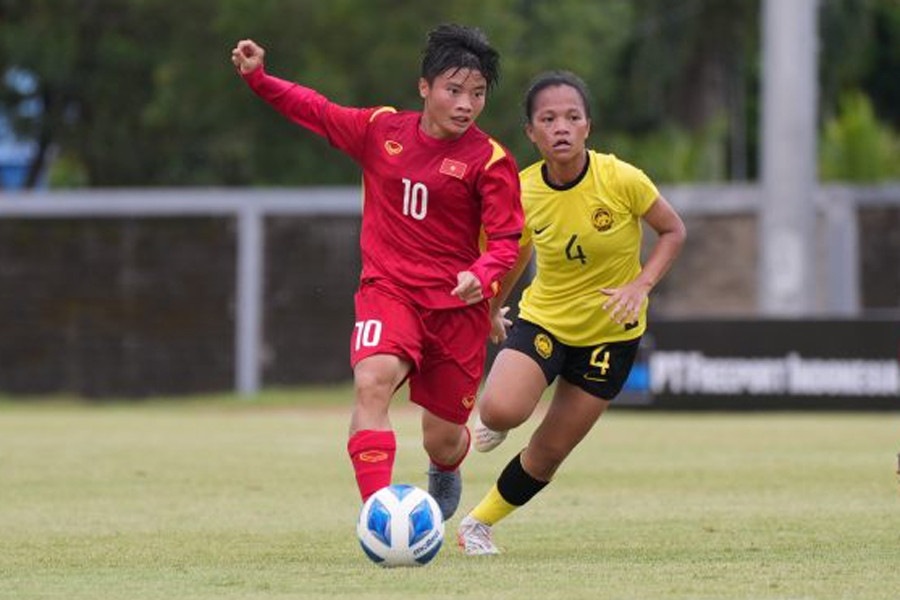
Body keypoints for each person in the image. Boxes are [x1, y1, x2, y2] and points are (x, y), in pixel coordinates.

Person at [231, 25, 523, 521]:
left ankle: (446, 465)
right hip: (388, 291)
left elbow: (505, 241)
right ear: (424, 87)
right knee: (373, 382)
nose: (466, 104)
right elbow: (317, 111)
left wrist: (482, 273)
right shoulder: (381, 130)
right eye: (454, 91)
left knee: (444, 437)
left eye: (477, 95)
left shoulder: (491, 161)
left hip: (457, 309)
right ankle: (380, 519)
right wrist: (259, 77)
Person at [456, 71, 686, 554]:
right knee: (501, 409)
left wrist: (641, 284)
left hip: (611, 336)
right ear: (531, 133)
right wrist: (495, 309)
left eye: (572, 117)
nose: (561, 127)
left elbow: (673, 231)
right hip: (546, 321)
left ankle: (477, 524)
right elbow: (512, 254)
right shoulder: (520, 190)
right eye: (548, 118)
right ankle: (497, 420)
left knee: (549, 452)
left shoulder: (622, 179)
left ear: (588, 127)